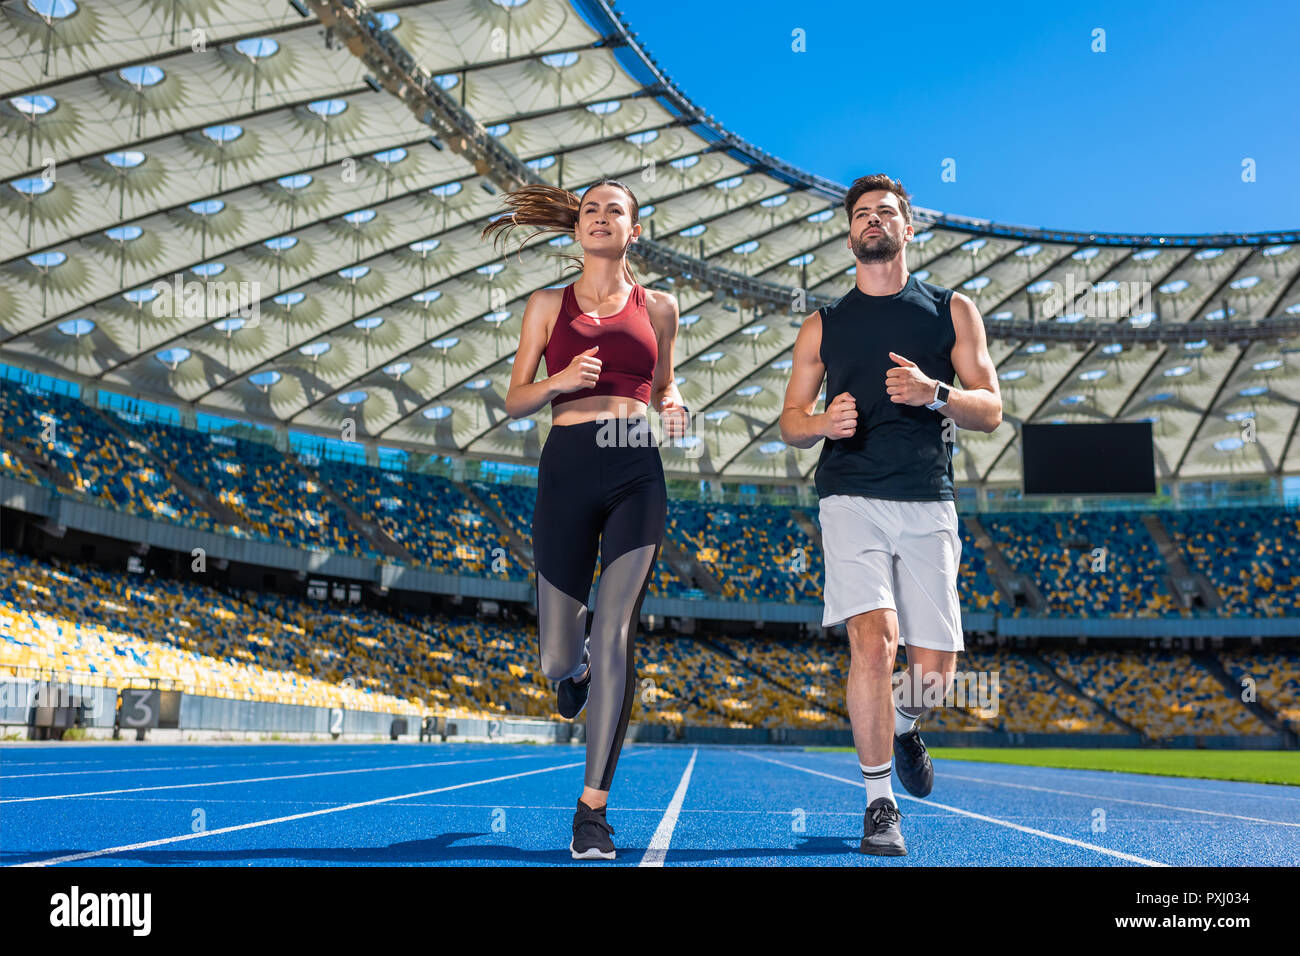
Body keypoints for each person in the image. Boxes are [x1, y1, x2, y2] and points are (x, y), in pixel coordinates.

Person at [778, 174, 1002, 855]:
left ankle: (905, 726)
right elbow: (789, 420)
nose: (873, 221)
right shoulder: (824, 323)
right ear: (850, 234)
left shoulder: (951, 311)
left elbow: (990, 409)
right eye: (862, 215)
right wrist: (821, 422)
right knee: (874, 642)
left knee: (935, 669)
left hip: (927, 498)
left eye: (886, 213)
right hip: (848, 496)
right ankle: (879, 805)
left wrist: (937, 392)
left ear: (909, 230)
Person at [483, 179, 689, 860]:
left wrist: (674, 406)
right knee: (556, 658)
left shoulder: (660, 307)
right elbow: (516, 399)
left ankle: (592, 812)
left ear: (635, 229)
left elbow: (663, 387)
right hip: (567, 464)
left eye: (615, 211)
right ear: (577, 230)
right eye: (590, 210)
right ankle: (571, 676)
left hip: (635, 466)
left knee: (616, 635)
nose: (600, 218)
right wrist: (559, 381)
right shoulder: (546, 304)